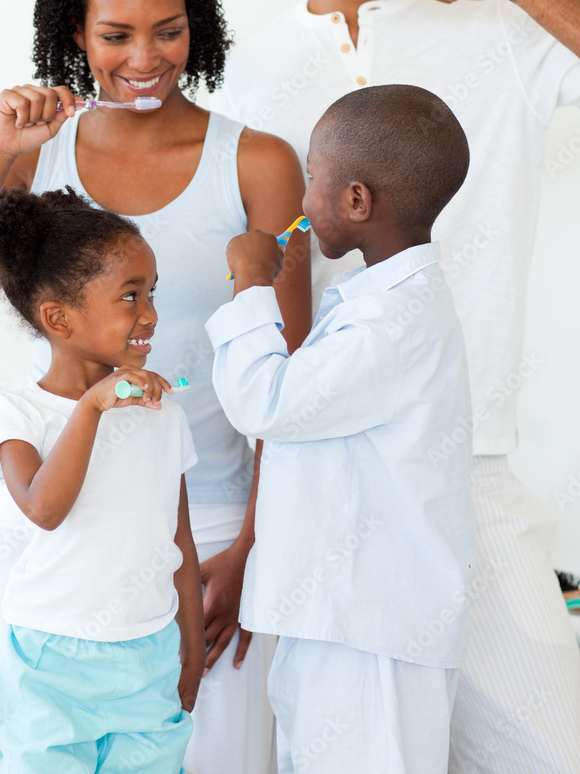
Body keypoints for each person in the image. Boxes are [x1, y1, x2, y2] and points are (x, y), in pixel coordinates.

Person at [209, 0, 580, 772]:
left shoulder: (501, 29)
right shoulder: (256, 77)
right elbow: (274, 305)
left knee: (552, 749)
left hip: (471, 461)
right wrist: (255, 530)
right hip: (328, 482)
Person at [0, 0, 311, 773]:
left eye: (168, 30)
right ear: (76, 33)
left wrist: (255, 547)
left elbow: (291, 379)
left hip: (203, 520)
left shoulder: (257, 163)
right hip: (43, 518)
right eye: (115, 34)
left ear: (197, 27)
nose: (145, 56)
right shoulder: (36, 150)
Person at [206, 85, 475, 773]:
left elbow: (266, 403)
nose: (301, 202)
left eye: (313, 181)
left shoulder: (390, 323)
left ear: (356, 202)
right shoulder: (378, 306)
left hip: (370, 631)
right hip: (342, 620)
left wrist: (249, 283)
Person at [0, 186, 202, 773]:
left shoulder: (164, 413)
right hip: (50, 656)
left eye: (151, 294)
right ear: (58, 318)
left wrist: (189, 652)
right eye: (130, 296)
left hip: (147, 653)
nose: (149, 313)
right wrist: (91, 408)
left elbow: (180, 543)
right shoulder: (15, 415)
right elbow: (44, 508)